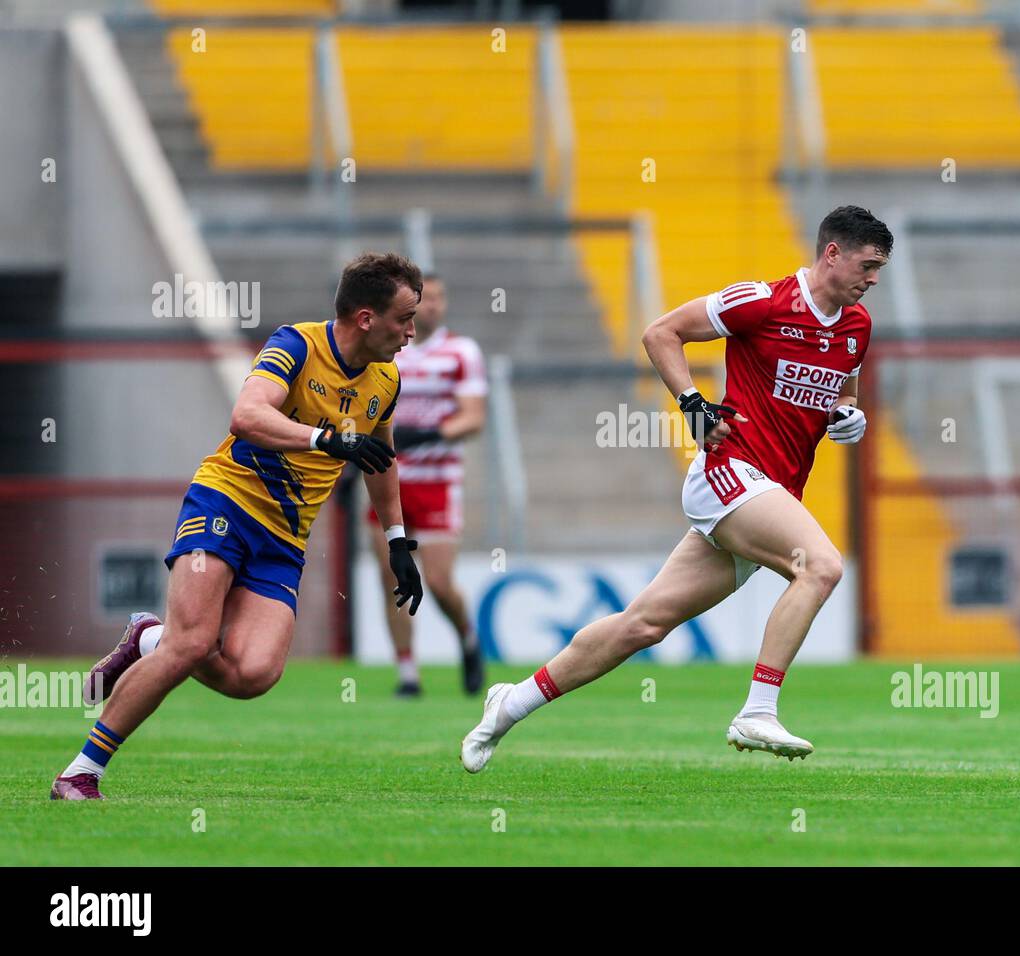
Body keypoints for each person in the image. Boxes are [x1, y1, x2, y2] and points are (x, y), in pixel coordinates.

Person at [460, 206, 891, 773]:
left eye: (881, 269)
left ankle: (509, 704)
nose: (874, 279)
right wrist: (692, 404)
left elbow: (842, 392)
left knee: (642, 625)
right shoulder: (761, 301)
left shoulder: (856, 326)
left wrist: (849, 415)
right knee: (822, 566)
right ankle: (758, 708)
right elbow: (661, 332)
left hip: (772, 489)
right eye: (868, 265)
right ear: (832, 253)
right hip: (730, 471)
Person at [51, 252, 426, 800]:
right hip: (227, 503)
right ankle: (80, 772)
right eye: (404, 319)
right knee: (195, 642)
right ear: (366, 317)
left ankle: (147, 637)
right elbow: (247, 416)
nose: (411, 332)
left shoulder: (386, 381)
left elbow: (380, 461)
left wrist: (397, 543)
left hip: (285, 538)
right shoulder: (297, 344)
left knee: (253, 676)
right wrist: (326, 439)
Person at [367, 273, 486, 697]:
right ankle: (408, 674)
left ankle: (468, 638)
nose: (432, 306)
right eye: (424, 300)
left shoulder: (461, 352)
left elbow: (473, 416)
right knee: (390, 578)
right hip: (387, 479)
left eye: (438, 297)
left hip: (437, 482)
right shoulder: (384, 354)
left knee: (437, 581)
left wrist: (429, 434)